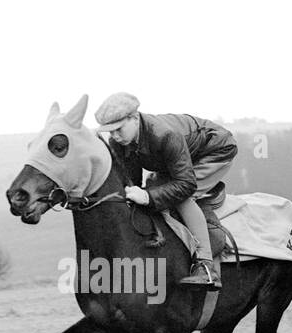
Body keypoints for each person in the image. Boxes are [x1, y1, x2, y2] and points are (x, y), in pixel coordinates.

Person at [94, 92, 237, 289]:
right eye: (111, 132)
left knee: (181, 198)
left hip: (215, 151)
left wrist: (148, 196)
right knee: (154, 191)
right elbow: (132, 184)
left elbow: (186, 185)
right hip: (184, 156)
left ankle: (205, 267)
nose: (116, 136)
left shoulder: (165, 134)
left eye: (119, 129)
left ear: (134, 118)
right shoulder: (119, 142)